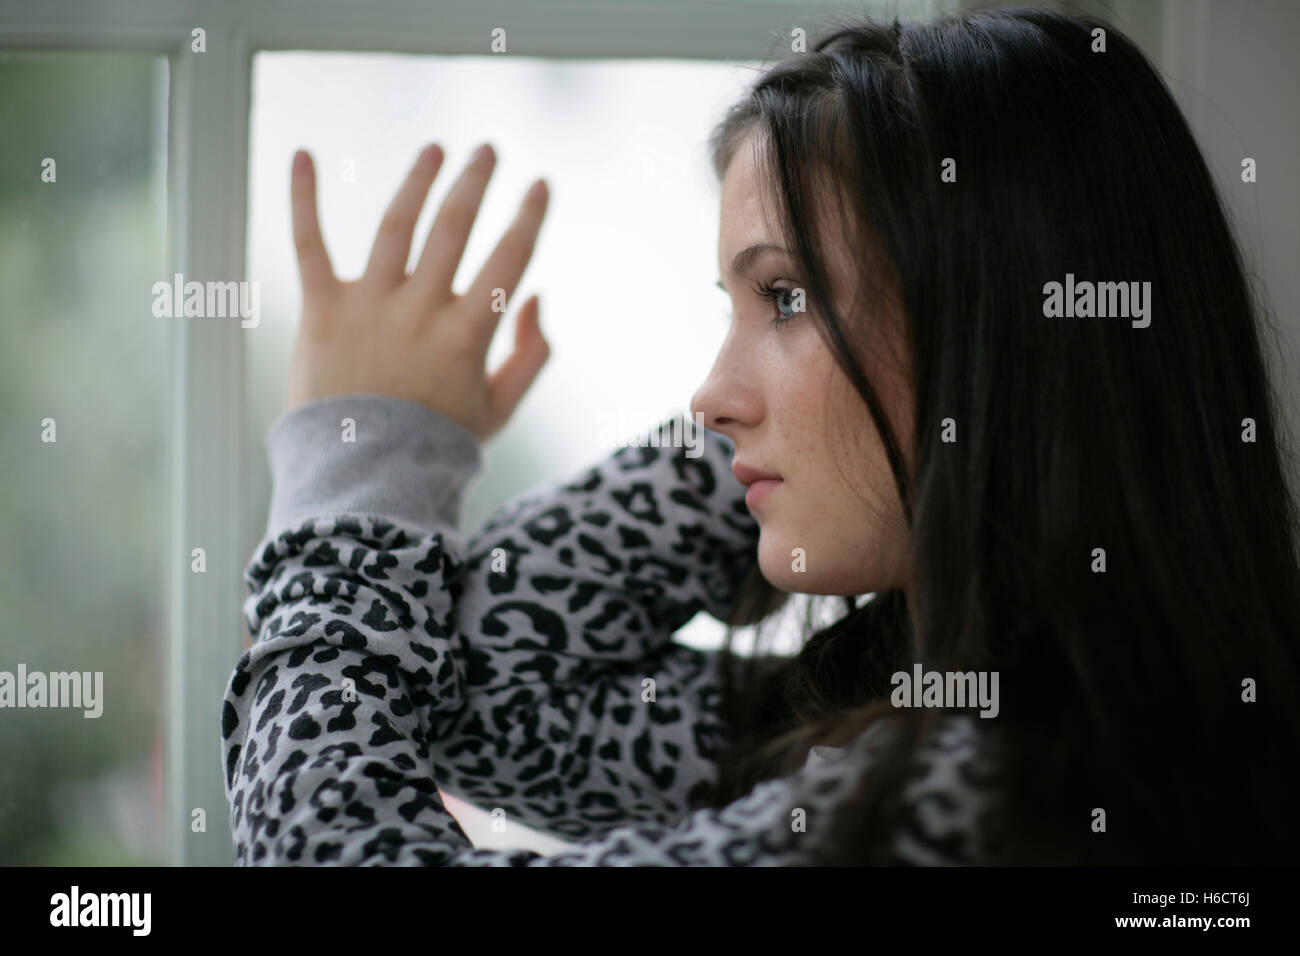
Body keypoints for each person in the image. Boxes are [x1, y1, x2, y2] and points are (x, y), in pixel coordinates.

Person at [221, 7, 1300, 865]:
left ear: (1003, 333)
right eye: (734, 302)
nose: (707, 397)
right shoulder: (921, 716)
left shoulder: (989, 801)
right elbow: (496, 683)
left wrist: (360, 458)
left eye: (784, 296)